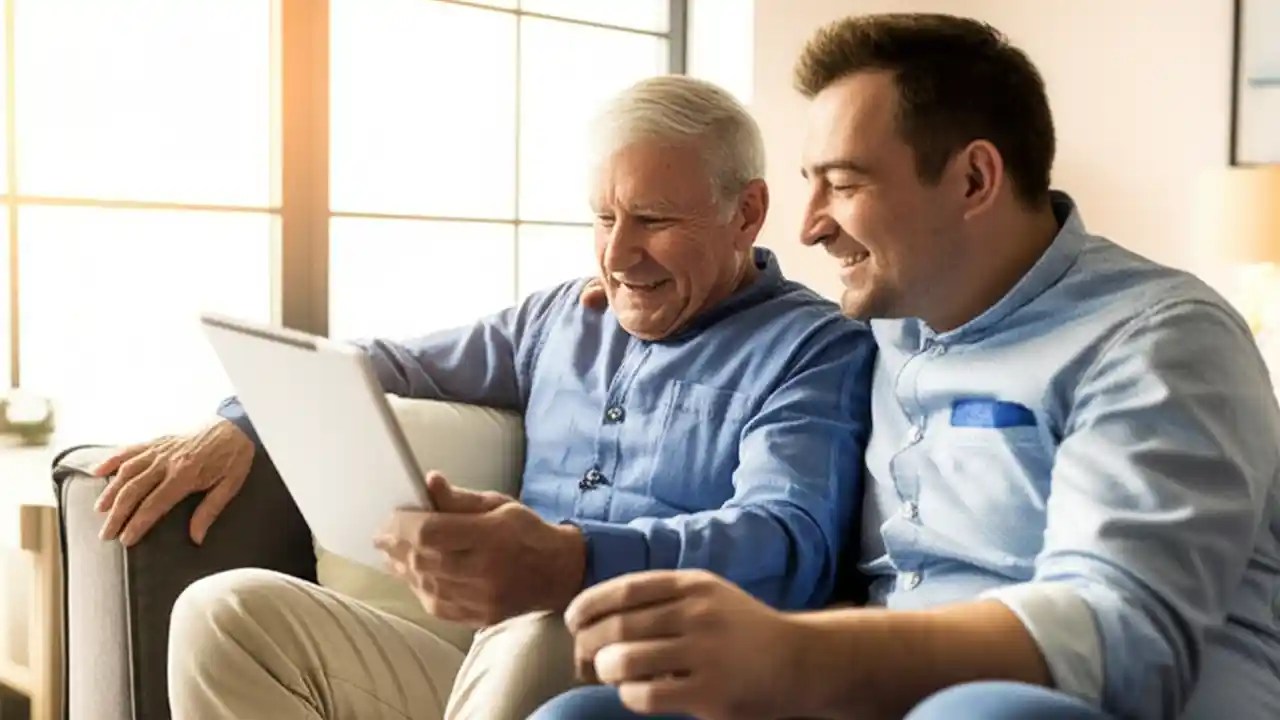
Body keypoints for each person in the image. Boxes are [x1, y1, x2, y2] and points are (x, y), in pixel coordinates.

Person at [533, 13, 1280, 720]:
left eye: (844, 184)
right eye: (809, 182)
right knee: (587, 713)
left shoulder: (1159, 339)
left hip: (1059, 706)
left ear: (974, 180)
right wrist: (644, 291)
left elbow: (1119, 637)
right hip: (873, 699)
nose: (809, 225)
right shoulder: (880, 331)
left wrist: (798, 654)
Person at [89, 75, 877, 719]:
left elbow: (787, 543)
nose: (616, 254)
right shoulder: (559, 319)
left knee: (550, 624)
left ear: (746, 213)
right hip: (488, 659)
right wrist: (242, 420)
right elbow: (386, 363)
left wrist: (572, 562)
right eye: (604, 218)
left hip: (656, 678)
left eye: (652, 220)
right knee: (227, 614)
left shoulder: (813, 347)